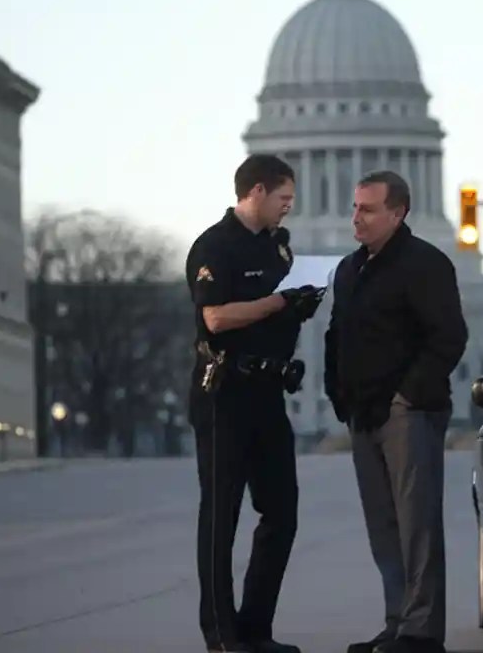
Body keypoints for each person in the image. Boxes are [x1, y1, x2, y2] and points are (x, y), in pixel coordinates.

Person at [186, 154, 326, 653]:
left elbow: (279, 309)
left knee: (281, 513)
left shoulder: (279, 249)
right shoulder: (215, 246)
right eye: (284, 198)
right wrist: (276, 304)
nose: (290, 207)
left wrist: (301, 305)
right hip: (225, 395)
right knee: (221, 518)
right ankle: (221, 637)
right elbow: (216, 320)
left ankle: (255, 629)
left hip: (268, 395)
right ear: (257, 191)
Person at [323, 170, 468, 653]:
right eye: (354, 208)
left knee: (417, 524)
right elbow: (336, 335)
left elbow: (448, 336)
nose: (355, 218)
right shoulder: (348, 270)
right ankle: (397, 624)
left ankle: (421, 632)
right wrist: (339, 394)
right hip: (362, 413)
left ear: (398, 212)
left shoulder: (425, 264)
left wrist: (407, 395)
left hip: (410, 413)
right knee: (383, 526)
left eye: (367, 209)